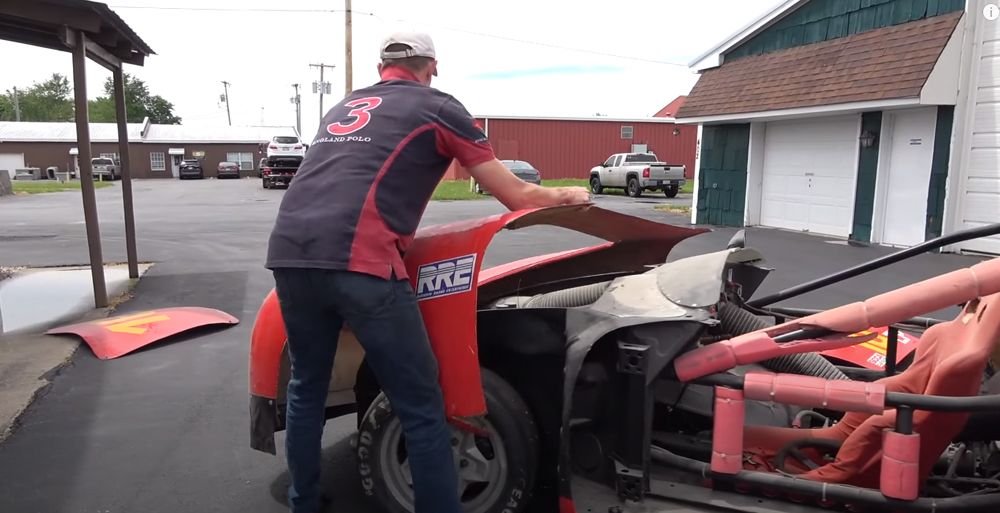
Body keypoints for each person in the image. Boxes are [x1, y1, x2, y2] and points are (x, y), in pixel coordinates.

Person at [264, 31, 591, 513]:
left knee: (306, 388)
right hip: (362, 261)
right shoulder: (439, 107)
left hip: (289, 255)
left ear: (381, 67)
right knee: (420, 404)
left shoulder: (341, 110)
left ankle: (304, 502)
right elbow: (518, 196)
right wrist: (571, 196)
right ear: (432, 66)